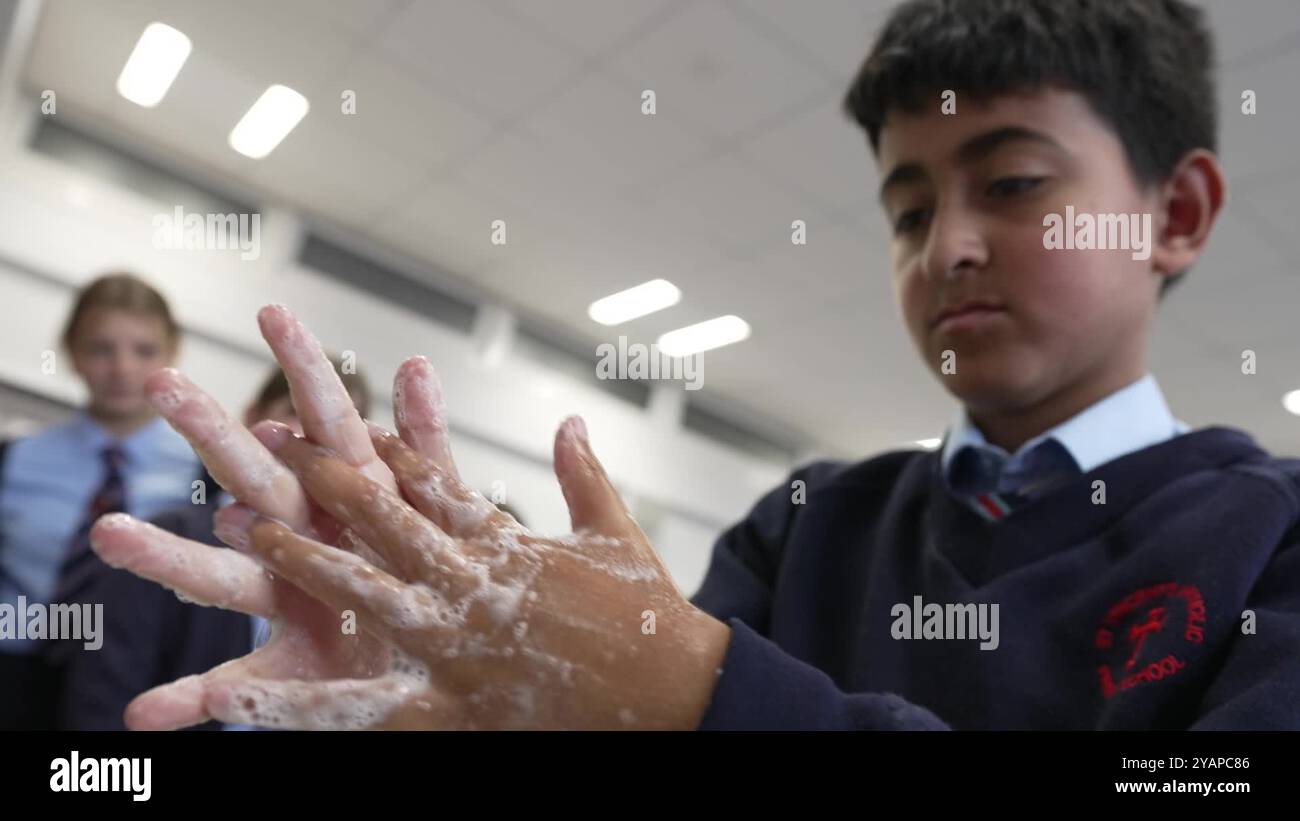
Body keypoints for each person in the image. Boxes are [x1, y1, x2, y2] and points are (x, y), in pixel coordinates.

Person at [86, 0, 1300, 730]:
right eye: (907, 206)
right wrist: (486, 686)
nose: (950, 245)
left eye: (1015, 182)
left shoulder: (1270, 539)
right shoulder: (809, 523)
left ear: (1176, 212)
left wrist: (695, 694)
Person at [56, 359, 371, 730]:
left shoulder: (361, 582)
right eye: (298, 413)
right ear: (253, 414)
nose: (318, 441)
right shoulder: (165, 540)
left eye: (339, 430)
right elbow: (100, 703)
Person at [0, 273, 201, 730]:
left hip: (134, 689)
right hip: (13, 672)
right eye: (100, 349)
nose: (123, 368)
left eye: (144, 351)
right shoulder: (14, 459)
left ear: (172, 355)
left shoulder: (204, 478)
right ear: (72, 352)